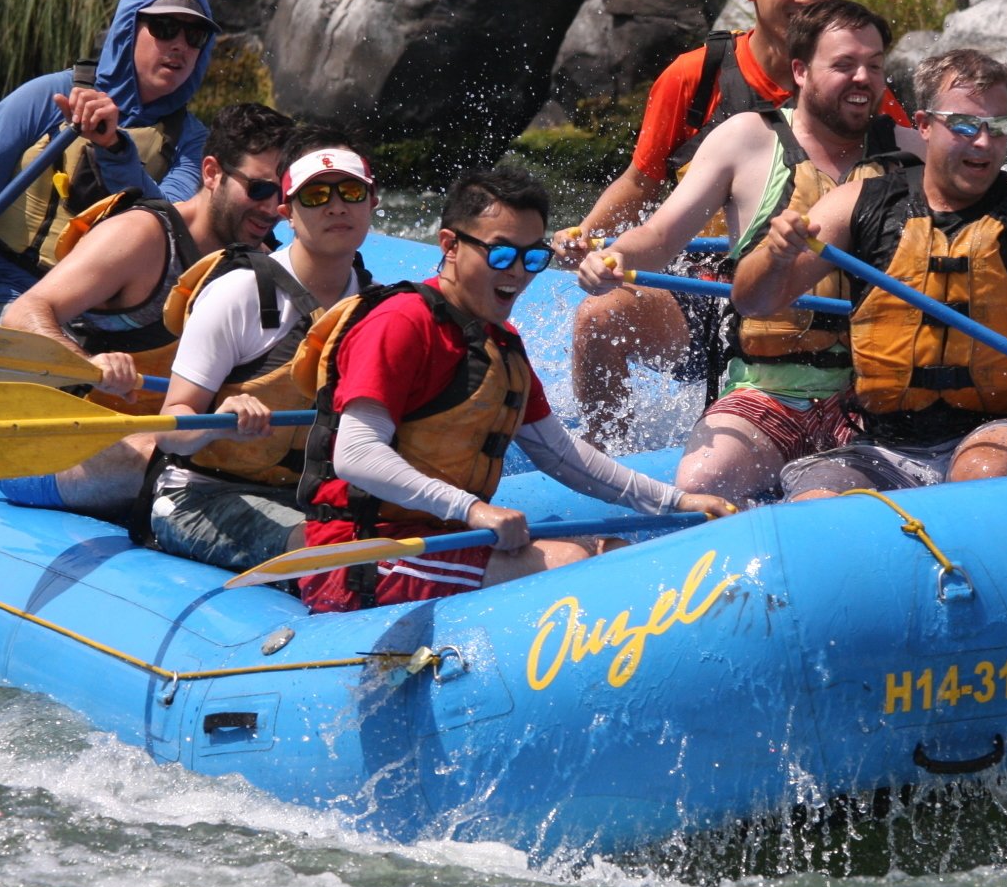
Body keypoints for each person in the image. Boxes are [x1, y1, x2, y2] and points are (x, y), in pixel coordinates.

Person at [294, 167, 736, 613]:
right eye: (501, 255)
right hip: (363, 553)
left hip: (445, 538)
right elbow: (356, 453)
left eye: (532, 257)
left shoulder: (501, 343)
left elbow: (562, 455)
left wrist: (675, 501)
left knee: (613, 549)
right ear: (449, 245)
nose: (519, 274)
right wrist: (471, 509)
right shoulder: (402, 322)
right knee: (571, 562)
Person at [556, 0, 913, 445]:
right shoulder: (696, 76)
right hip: (698, 284)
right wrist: (592, 242)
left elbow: (921, 182)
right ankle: (612, 466)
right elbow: (642, 183)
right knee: (598, 319)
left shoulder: (860, 88)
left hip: (813, 288)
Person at [731, 48, 1007, 497]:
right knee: (816, 503)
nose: (984, 143)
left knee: (980, 472)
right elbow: (754, 302)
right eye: (965, 125)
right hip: (885, 441)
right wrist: (773, 255)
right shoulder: (857, 206)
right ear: (925, 126)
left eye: (998, 128)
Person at [577, 0, 920, 505]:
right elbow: (660, 236)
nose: (863, 78)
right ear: (801, 71)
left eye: (874, 65)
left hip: (874, 394)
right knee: (702, 483)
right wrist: (613, 259)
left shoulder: (915, 154)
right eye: (844, 65)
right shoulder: (745, 140)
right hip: (768, 386)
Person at [0, 102, 292, 515]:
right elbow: (24, 312)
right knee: (175, 462)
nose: (272, 207)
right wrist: (90, 362)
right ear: (211, 173)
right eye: (258, 189)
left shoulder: (267, 264)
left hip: (165, 440)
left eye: (283, 193)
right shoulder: (143, 237)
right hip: (54, 445)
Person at [0, 0, 220, 323]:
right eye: (164, 29)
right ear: (130, 30)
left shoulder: (193, 143)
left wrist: (114, 150)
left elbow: (166, 231)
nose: (180, 45)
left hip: (100, 314)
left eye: (195, 35)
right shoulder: (49, 96)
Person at [144, 127, 380, 571]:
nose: (335, 206)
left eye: (351, 192)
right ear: (287, 212)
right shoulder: (239, 293)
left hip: (311, 497)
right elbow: (169, 428)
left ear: (373, 205)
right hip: (200, 497)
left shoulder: (377, 307)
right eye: (315, 197)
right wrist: (221, 422)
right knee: (343, 559)